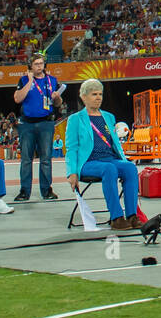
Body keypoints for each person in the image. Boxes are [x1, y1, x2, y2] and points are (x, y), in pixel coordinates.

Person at [65, 78, 140, 229]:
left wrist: (124, 160)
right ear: (84, 97)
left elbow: (115, 144)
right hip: (88, 163)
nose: (98, 97)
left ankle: (132, 216)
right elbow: (71, 149)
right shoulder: (75, 119)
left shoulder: (109, 117)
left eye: (100, 94)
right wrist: (71, 172)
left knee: (130, 168)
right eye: (94, 94)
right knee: (109, 169)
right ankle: (116, 218)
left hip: (110, 159)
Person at [12, 54, 65, 201]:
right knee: (26, 159)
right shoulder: (23, 80)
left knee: (46, 158)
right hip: (27, 124)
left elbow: (58, 104)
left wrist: (57, 97)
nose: (39, 66)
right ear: (30, 66)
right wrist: (29, 81)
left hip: (46, 123)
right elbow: (17, 99)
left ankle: (47, 190)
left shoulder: (52, 80)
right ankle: (24, 191)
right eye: (36, 64)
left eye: (41, 63)